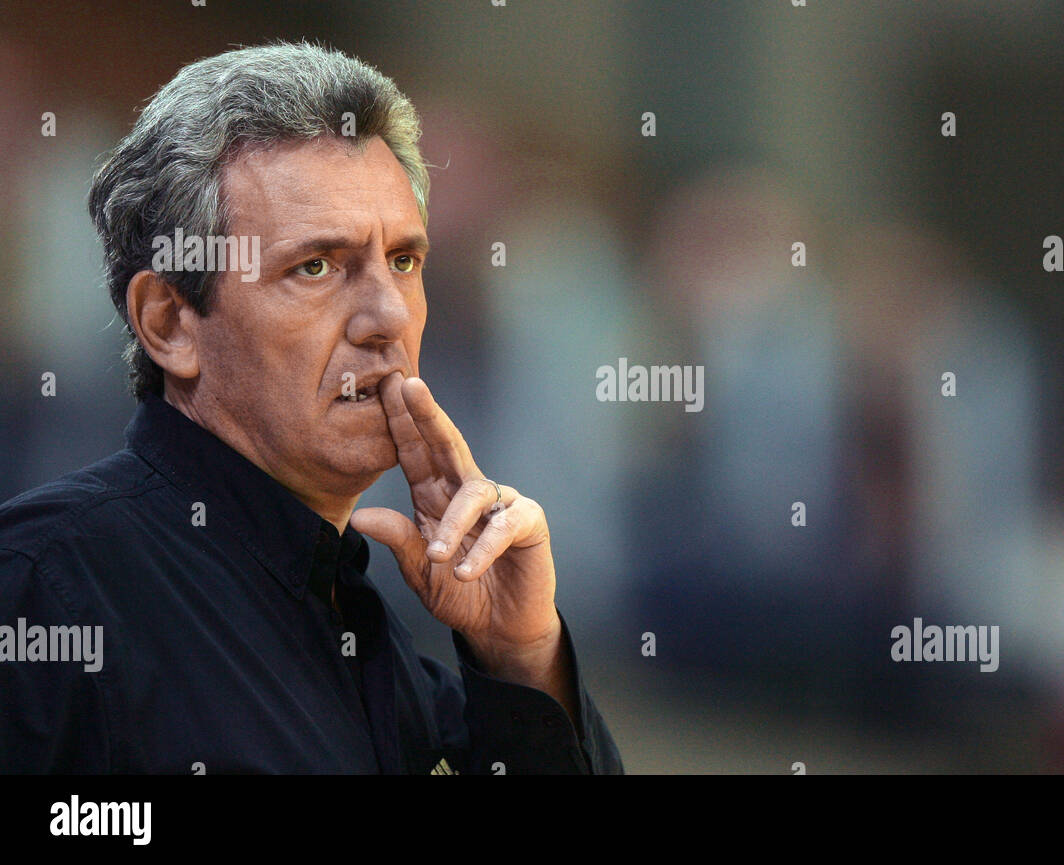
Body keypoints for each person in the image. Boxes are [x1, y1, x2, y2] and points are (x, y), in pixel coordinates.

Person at [0, 41, 623, 774]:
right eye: (316, 266)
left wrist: (521, 657)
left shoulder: (372, 633)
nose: (387, 317)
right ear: (169, 322)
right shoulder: (41, 589)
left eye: (403, 261)